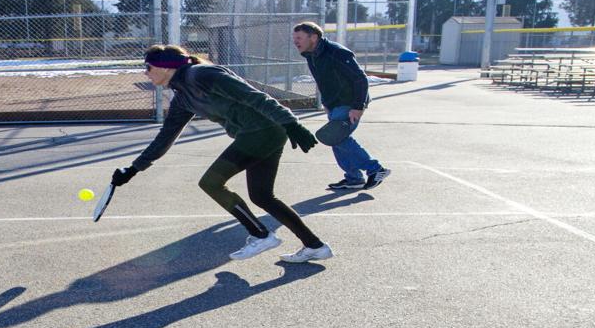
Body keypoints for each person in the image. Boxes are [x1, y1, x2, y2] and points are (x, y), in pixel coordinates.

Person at [110, 44, 333, 263]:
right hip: (261, 133)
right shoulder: (182, 98)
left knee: (211, 182)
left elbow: (254, 97)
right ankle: (315, 246)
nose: (145, 73)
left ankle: (260, 235)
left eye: (148, 67)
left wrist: (291, 123)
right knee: (262, 196)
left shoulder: (202, 75)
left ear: (166, 67)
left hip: (261, 131)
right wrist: (134, 168)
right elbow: (165, 137)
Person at [292, 21, 390, 192]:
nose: (295, 42)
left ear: (313, 37)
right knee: (335, 139)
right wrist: (326, 104)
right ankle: (354, 178)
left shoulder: (337, 52)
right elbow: (324, 82)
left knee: (337, 137)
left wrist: (358, 106)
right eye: (294, 38)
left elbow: (360, 79)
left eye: (299, 38)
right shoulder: (311, 55)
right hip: (334, 105)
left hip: (350, 103)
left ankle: (375, 169)